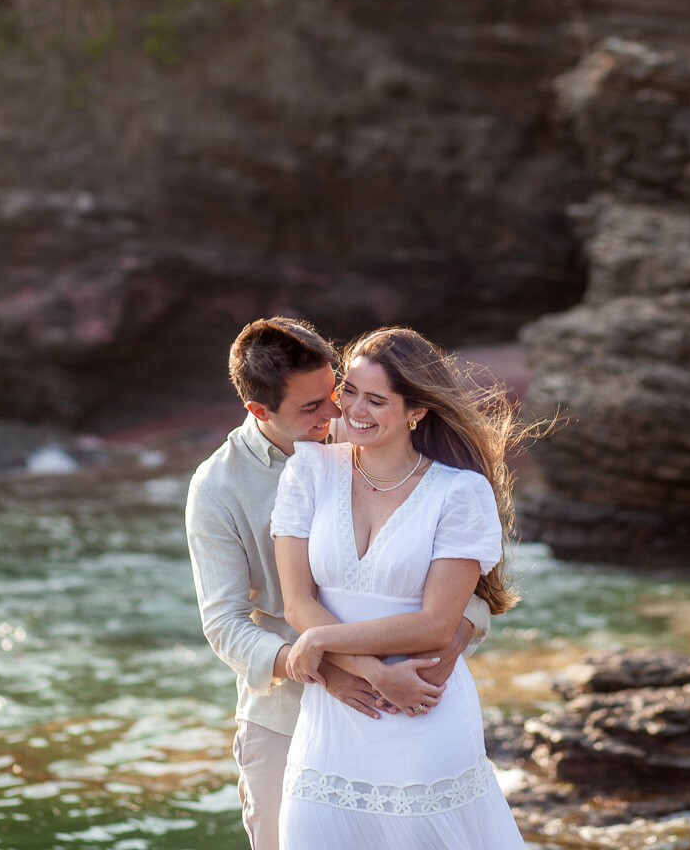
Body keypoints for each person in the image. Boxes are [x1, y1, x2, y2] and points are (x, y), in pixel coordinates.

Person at [185, 316, 491, 850]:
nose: (336, 414)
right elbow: (224, 624)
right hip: (286, 714)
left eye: (336, 392)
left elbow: (464, 574)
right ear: (259, 411)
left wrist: (459, 630)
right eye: (313, 407)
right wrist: (336, 669)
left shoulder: (373, 431)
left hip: (406, 704)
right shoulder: (219, 486)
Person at [271, 325, 526, 848]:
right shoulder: (309, 471)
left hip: (422, 716)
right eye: (351, 394)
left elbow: (436, 626)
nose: (355, 411)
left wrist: (321, 641)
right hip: (333, 724)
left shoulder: (460, 492)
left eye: (377, 400)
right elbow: (298, 603)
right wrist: (370, 673)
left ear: (416, 410)